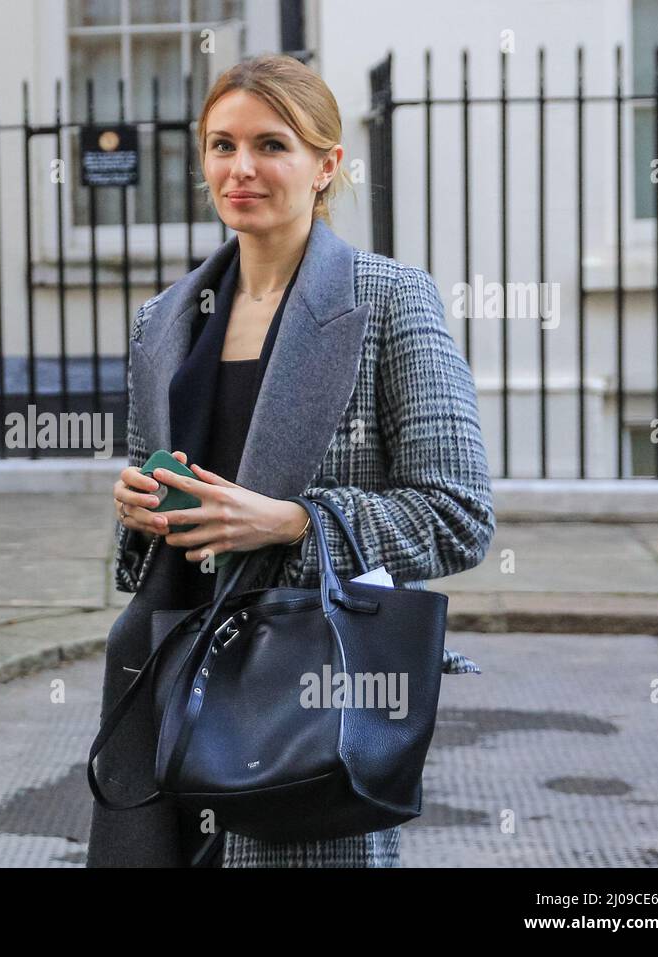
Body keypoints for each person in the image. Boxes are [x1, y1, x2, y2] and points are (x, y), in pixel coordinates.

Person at [88, 53, 495, 867]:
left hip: (304, 685)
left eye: (271, 145)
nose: (240, 168)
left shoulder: (388, 298)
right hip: (166, 673)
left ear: (326, 166)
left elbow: (459, 513)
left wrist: (293, 523)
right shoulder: (164, 319)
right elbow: (156, 520)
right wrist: (137, 508)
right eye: (220, 145)